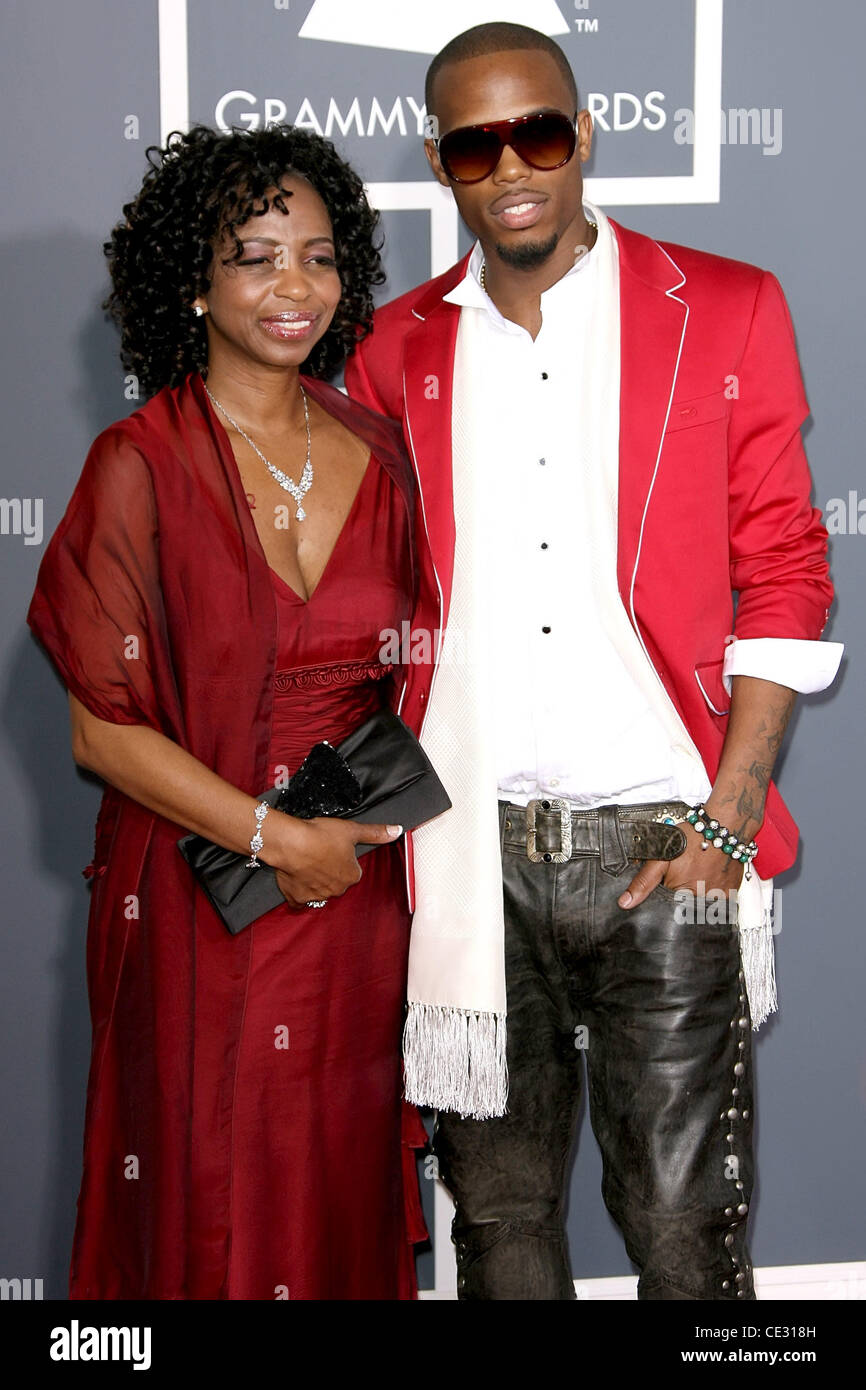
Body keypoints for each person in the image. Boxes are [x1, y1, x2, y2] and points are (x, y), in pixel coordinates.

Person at [344, 22, 843, 1300]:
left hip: (662, 841)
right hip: (465, 856)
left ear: (584, 133)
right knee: (500, 1229)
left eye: (541, 131)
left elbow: (782, 565)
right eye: (475, 142)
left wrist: (726, 818)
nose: (512, 165)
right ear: (437, 162)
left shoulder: (723, 307)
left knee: (684, 1231)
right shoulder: (394, 350)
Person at [27, 123, 429, 1300]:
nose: (291, 286)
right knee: (208, 1183)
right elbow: (99, 729)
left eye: (316, 255)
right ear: (194, 282)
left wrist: (333, 845)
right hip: (198, 886)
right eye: (254, 256)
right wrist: (268, 836)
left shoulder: (385, 451)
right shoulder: (137, 463)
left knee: (328, 1181)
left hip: (353, 902)